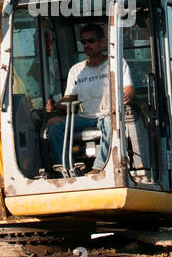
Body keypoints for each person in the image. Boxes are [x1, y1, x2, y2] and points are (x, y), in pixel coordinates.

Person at [46, 22, 134, 173]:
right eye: (84, 42)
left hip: (108, 114)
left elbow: (129, 88)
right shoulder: (76, 70)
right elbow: (69, 99)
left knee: (111, 121)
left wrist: (126, 95)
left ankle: (99, 167)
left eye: (91, 41)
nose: (87, 45)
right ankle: (68, 169)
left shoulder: (116, 63)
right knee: (53, 124)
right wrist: (54, 105)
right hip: (84, 117)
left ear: (102, 41)